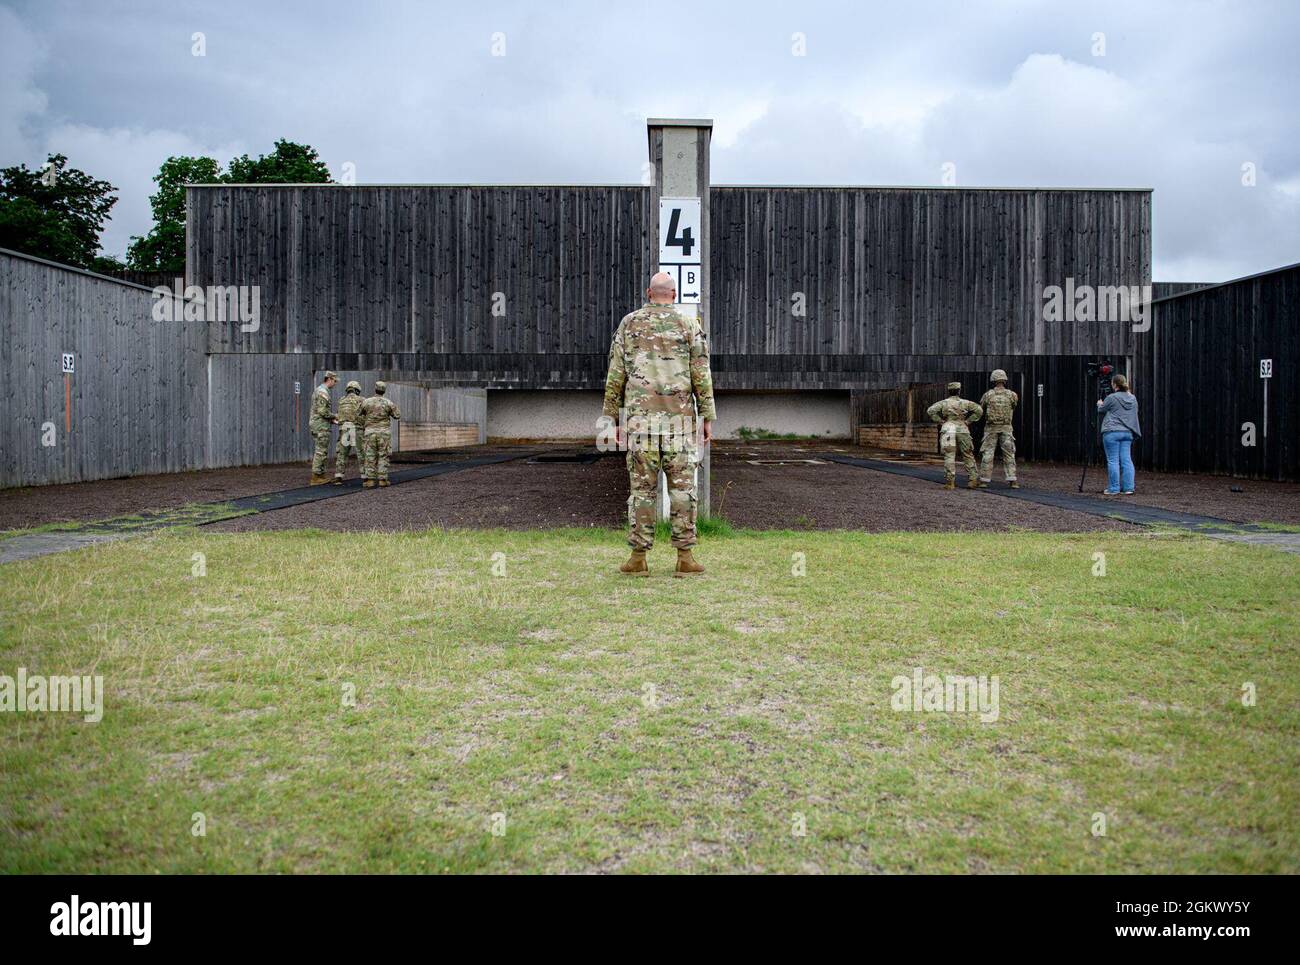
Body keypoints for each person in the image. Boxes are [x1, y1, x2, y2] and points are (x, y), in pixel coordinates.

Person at [602, 271, 716, 577]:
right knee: (682, 490)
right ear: (674, 294)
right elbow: (701, 375)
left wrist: (611, 418)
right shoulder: (689, 325)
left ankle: (638, 559)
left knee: (642, 491)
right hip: (680, 424)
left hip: (641, 426)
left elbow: (616, 373)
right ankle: (685, 558)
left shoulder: (629, 323)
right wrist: (706, 417)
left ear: (649, 293)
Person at [926, 382, 983, 489]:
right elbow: (979, 410)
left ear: (949, 391)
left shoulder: (943, 403)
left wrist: (940, 421)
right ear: (959, 391)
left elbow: (930, 411)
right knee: (968, 454)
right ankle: (973, 480)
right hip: (963, 429)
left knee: (949, 455)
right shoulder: (966, 403)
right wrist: (968, 421)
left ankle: (950, 482)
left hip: (948, 428)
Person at [1097, 373, 1141, 495]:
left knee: (1113, 461)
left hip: (1112, 432)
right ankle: (1129, 488)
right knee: (1127, 460)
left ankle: (1114, 488)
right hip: (1127, 432)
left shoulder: (1112, 397)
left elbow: (1101, 410)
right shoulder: (1133, 398)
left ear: (1114, 384)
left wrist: (1100, 404)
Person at [978, 369, 1019, 488]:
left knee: (988, 453)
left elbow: (981, 408)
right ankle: (1013, 480)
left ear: (993, 380)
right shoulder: (1012, 394)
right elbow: (1014, 407)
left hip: (991, 429)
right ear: (1004, 380)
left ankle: (984, 480)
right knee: (1009, 454)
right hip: (1006, 428)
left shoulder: (988, 394)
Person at [359, 381, 402, 488]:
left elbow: (358, 414)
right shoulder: (388, 403)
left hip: (369, 432)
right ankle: (383, 479)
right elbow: (397, 415)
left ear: (375, 389)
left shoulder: (366, 402)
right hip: (384, 433)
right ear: (384, 390)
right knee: (383, 455)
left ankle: (370, 480)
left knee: (370, 455)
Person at [308, 371, 338, 485]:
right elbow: (322, 411)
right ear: (329, 379)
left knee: (321, 450)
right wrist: (335, 416)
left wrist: (331, 420)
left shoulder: (321, 390)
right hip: (320, 426)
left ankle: (320, 474)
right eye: (334, 381)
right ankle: (316, 477)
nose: (334, 384)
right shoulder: (322, 392)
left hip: (320, 424)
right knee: (321, 451)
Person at [333, 380, 365, 484]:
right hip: (357, 429)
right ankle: (365, 477)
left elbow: (338, 415)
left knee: (342, 453)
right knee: (361, 453)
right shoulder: (361, 400)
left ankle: (338, 476)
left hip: (345, 429)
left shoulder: (341, 400)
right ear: (357, 390)